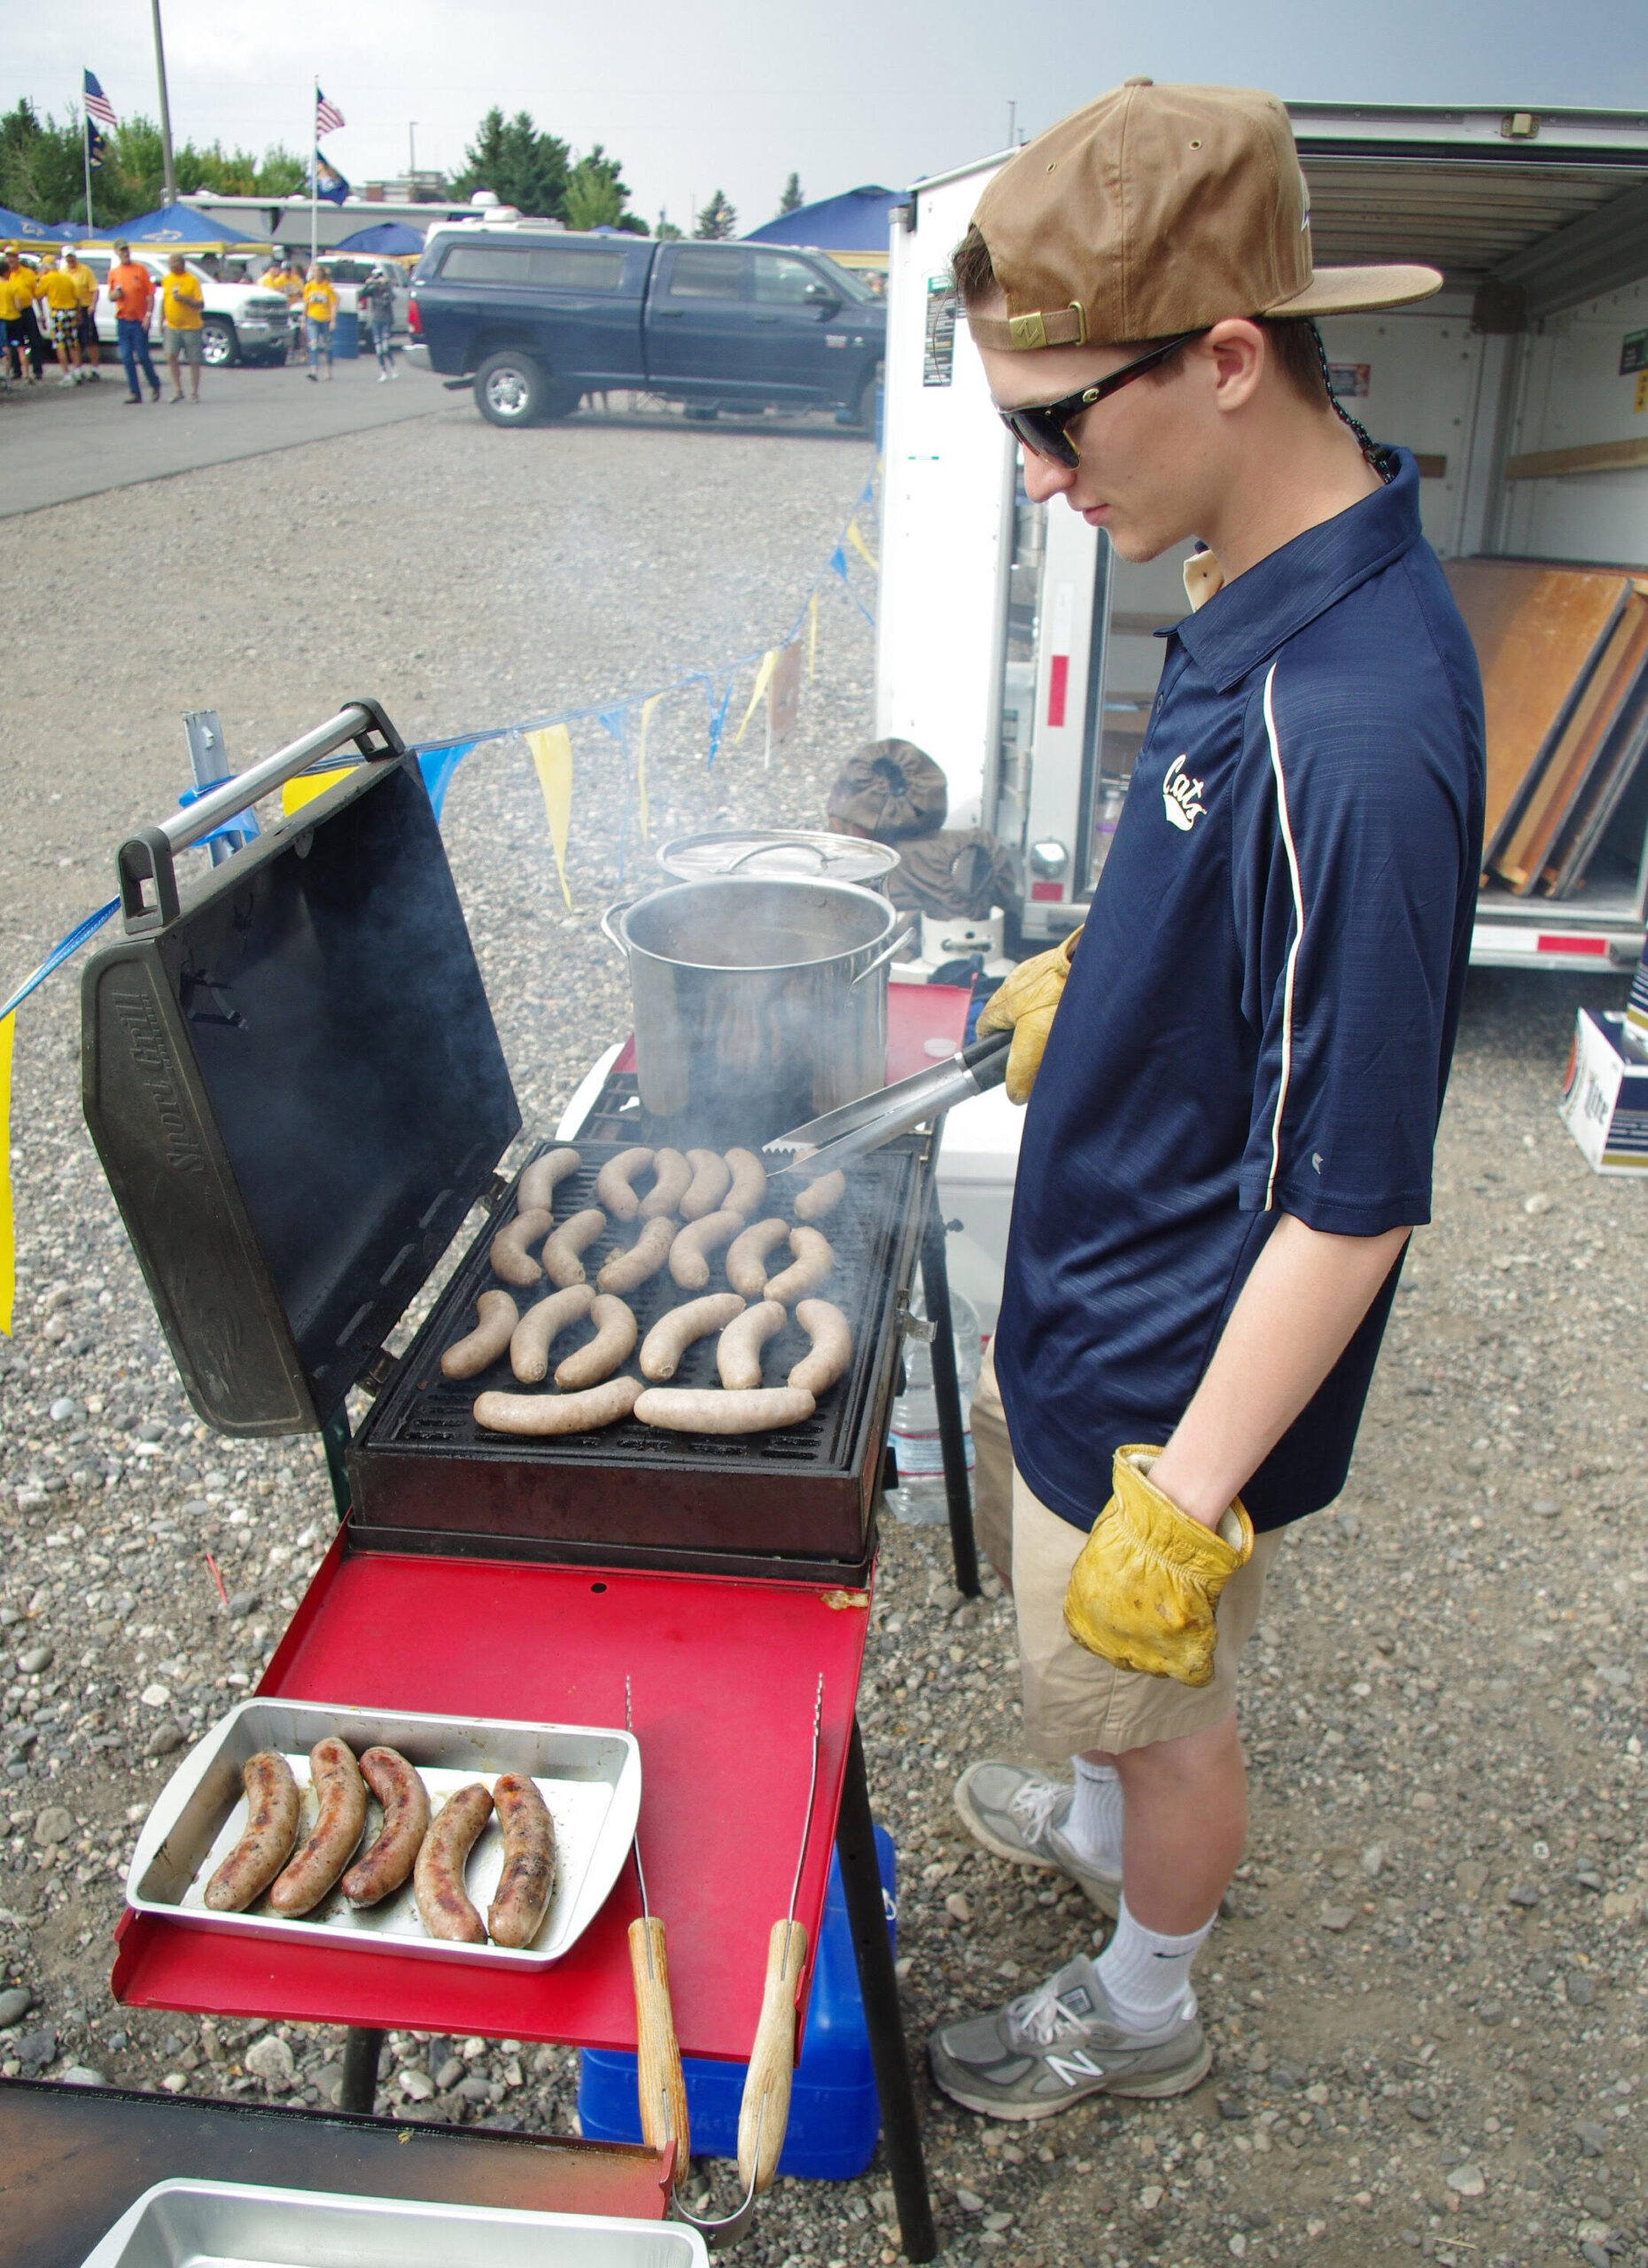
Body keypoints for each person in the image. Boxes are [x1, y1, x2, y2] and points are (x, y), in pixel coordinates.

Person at [925, 80, 1485, 2125]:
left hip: (1177, 1367)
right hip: (1098, 1285)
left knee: (1150, 1695)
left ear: (1225, 357)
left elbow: (1352, 1188)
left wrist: (1174, 1507)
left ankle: (1142, 1992)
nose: (1036, 472)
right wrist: (1111, 969)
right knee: (1089, 1699)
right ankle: (1095, 1818)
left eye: (1053, 421)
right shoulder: (1250, 570)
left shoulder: (1359, 713)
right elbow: (1242, 920)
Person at [108, 242, 160, 405]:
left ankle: (154, 383)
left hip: (139, 321)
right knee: (126, 357)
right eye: (122, 250)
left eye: (126, 250)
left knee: (143, 356)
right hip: (123, 319)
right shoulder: (114, 273)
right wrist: (115, 294)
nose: (125, 253)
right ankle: (134, 392)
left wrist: (148, 315)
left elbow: (150, 294)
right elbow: (110, 296)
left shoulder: (140, 269)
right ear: (116, 252)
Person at [160, 252, 205, 402]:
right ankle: (178, 389)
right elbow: (164, 300)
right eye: (169, 262)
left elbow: (200, 304)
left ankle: (194, 392)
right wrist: (162, 320)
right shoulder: (167, 279)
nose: (171, 265)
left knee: (194, 360)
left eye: (174, 262)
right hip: (172, 326)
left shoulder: (192, 280)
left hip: (191, 327)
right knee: (171, 356)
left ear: (182, 264)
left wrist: (184, 299)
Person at [40, 251, 85, 386]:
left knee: (60, 345)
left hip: (58, 313)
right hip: (70, 312)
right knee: (72, 344)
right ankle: (78, 371)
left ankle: (67, 375)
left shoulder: (46, 279)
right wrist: (78, 314)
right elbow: (77, 298)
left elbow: (38, 294)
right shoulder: (66, 278)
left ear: (46, 267)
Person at [0, 248, 42, 385]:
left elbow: (37, 294)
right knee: (13, 344)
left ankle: (37, 370)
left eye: (13, 257)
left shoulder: (28, 273)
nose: (10, 260)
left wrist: (41, 313)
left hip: (26, 310)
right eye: (8, 257)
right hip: (10, 314)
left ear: (18, 258)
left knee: (34, 340)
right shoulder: (4, 274)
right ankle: (16, 371)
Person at [68, 246, 102, 381]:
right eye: (67, 258)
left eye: (71, 256)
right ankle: (78, 369)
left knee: (91, 339)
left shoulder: (85, 270)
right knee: (74, 340)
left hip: (85, 307)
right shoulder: (63, 272)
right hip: (70, 308)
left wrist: (93, 305)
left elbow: (94, 289)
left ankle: (94, 369)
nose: (70, 260)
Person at [358, 264, 397, 380]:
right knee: (378, 348)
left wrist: (387, 286)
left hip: (387, 320)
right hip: (376, 320)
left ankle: (393, 366)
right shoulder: (373, 290)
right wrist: (368, 284)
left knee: (385, 347)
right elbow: (361, 295)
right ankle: (383, 371)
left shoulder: (387, 289)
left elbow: (392, 298)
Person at [302, 262, 338, 381]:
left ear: (322, 273)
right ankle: (314, 370)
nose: (316, 273)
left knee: (327, 345)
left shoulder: (327, 287)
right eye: (314, 271)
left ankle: (328, 370)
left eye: (318, 271)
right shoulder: (309, 286)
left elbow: (332, 305)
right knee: (313, 344)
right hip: (312, 318)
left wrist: (333, 320)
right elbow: (306, 304)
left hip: (325, 319)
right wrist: (303, 320)